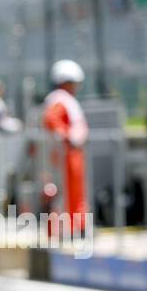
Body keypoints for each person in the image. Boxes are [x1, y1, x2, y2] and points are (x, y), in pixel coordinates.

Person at [41, 59, 89, 239]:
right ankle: (63, 230)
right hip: (66, 154)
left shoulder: (64, 99)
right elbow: (51, 120)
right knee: (65, 193)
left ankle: (77, 227)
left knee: (74, 192)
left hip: (71, 153)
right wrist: (68, 137)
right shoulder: (59, 99)